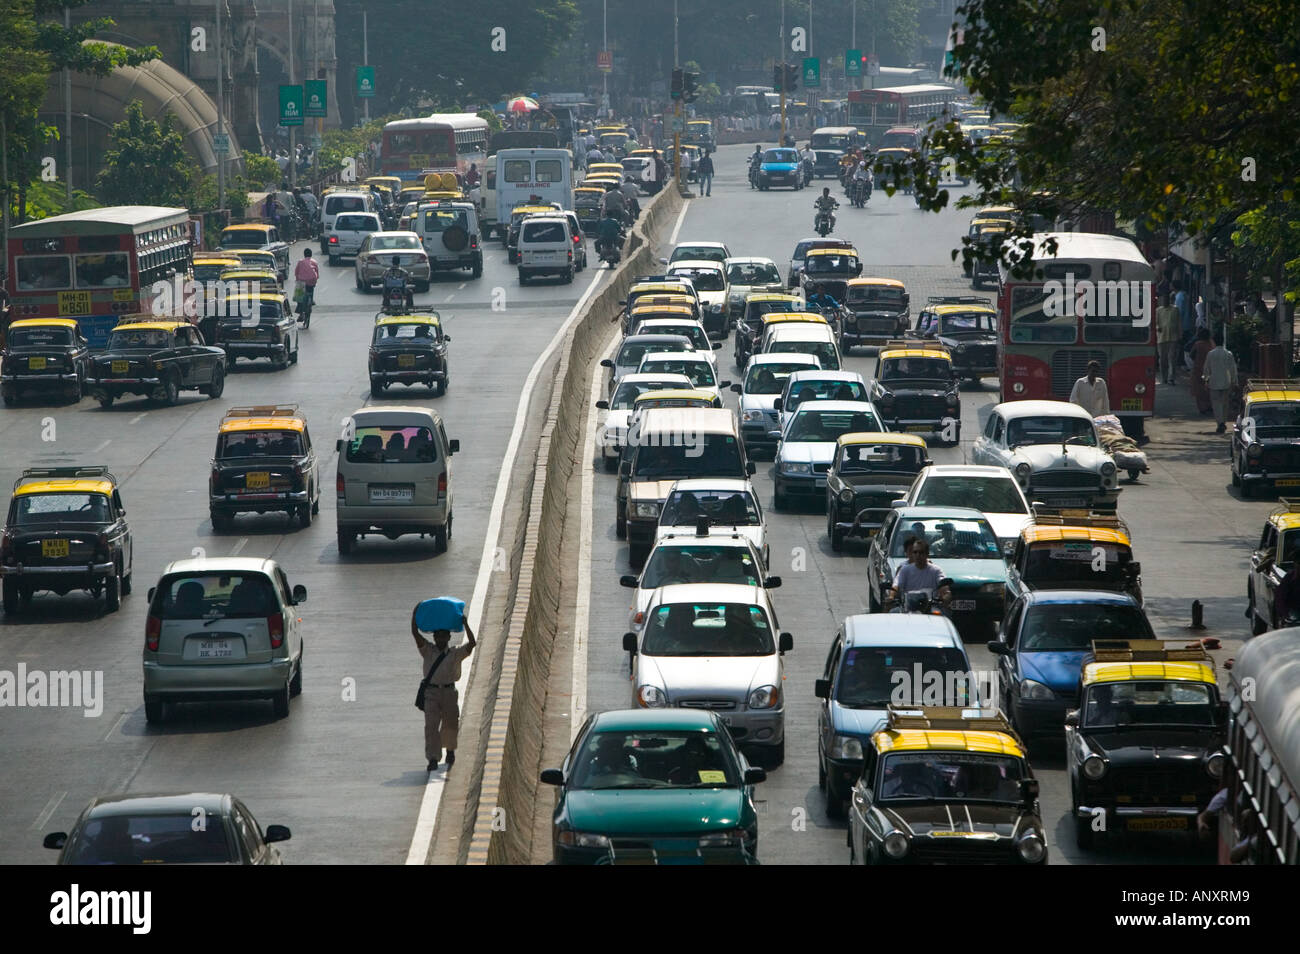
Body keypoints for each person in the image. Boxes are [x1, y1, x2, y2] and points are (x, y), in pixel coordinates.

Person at [412, 607, 477, 771]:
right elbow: (415, 634)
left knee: (450, 724)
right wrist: (415, 615)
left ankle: (450, 750)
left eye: (443, 636)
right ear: (434, 637)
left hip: (449, 692)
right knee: (431, 726)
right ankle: (433, 758)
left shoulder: (455, 653)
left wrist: (466, 624)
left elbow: (472, 644)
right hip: (431, 693)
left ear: (449, 637)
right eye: (437, 636)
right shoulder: (428, 650)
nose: (440, 639)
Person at [889, 538, 949, 604]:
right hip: (908, 608)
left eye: (921, 552)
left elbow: (944, 587)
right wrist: (891, 596)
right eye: (915, 552)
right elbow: (896, 585)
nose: (918, 555)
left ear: (927, 554)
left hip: (930, 608)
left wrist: (945, 595)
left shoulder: (936, 570)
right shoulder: (904, 569)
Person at [1203, 331, 1238, 434]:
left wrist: (1205, 380)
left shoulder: (1210, 354)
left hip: (1214, 382)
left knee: (1216, 404)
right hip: (1226, 382)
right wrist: (1234, 381)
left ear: (1214, 341)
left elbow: (1206, 369)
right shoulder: (1228, 353)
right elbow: (1233, 369)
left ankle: (1220, 423)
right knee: (1225, 404)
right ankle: (1223, 421)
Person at [1155, 293, 1181, 384]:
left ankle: (1171, 378)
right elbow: (1155, 323)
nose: (1165, 301)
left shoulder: (1175, 309)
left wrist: (1180, 336)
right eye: (1163, 300)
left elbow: (1178, 323)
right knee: (1162, 359)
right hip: (1161, 338)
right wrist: (1158, 328)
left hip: (1173, 337)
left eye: (1167, 299)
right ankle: (1164, 378)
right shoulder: (1158, 310)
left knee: (1172, 358)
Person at [293, 248, 319, 317]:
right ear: (311, 255)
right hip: (312, 281)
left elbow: (296, 273)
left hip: (302, 281)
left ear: (304, 255)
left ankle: (300, 312)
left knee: (299, 295)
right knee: (311, 288)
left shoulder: (300, 262)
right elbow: (317, 274)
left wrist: (297, 280)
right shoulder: (314, 262)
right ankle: (311, 299)